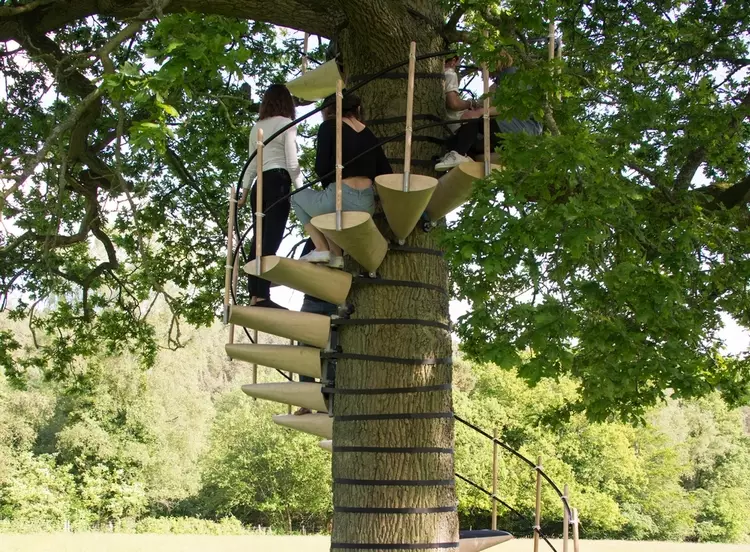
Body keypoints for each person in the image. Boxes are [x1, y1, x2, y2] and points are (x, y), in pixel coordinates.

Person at [291, 92, 392, 268]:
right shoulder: (369, 134)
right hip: (366, 205)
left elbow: (321, 168)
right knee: (328, 215)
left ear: (329, 109)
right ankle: (337, 256)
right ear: (357, 109)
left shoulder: (329, 126)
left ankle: (322, 248)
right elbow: (385, 173)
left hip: (339, 198)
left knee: (297, 198)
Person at [238, 84, 302, 309]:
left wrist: (244, 193)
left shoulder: (256, 127)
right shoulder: (287, 124)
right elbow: (292, 162)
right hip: (278, 181)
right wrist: (302, 188)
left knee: (258, 239)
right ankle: (262, 296)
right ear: (287, 103)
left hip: (259, 185)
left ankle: (255, 295)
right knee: (270, 240)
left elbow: (251, 164)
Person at [435, 50, 543, 171]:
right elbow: (484, 103)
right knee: (461, 138)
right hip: (514, 130)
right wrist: (474, 106)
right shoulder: (498, 84)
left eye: (482, 68)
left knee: (475, 120)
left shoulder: (512, 75)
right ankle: (461, 157)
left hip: (522, 127)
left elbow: (510, 105)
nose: (482, 73)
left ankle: (459, 153)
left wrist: (478, 112)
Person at [294, 237, 338, 416]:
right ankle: (307, 402)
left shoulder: (342, 238)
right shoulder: (312, 241)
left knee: (331, 353)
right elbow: (301, 269)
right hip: (311, 301)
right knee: (303, 352)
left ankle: (327, 403)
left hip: (334, 301)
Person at [434, 52, 480, 171]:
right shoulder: (450, 74)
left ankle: (465, 157)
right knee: (476, 118)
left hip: (446, 130)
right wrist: (471, 103)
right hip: (455, 127)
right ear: (454, 61)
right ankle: (460, 154)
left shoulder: (433, 75)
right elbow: (453, 103)